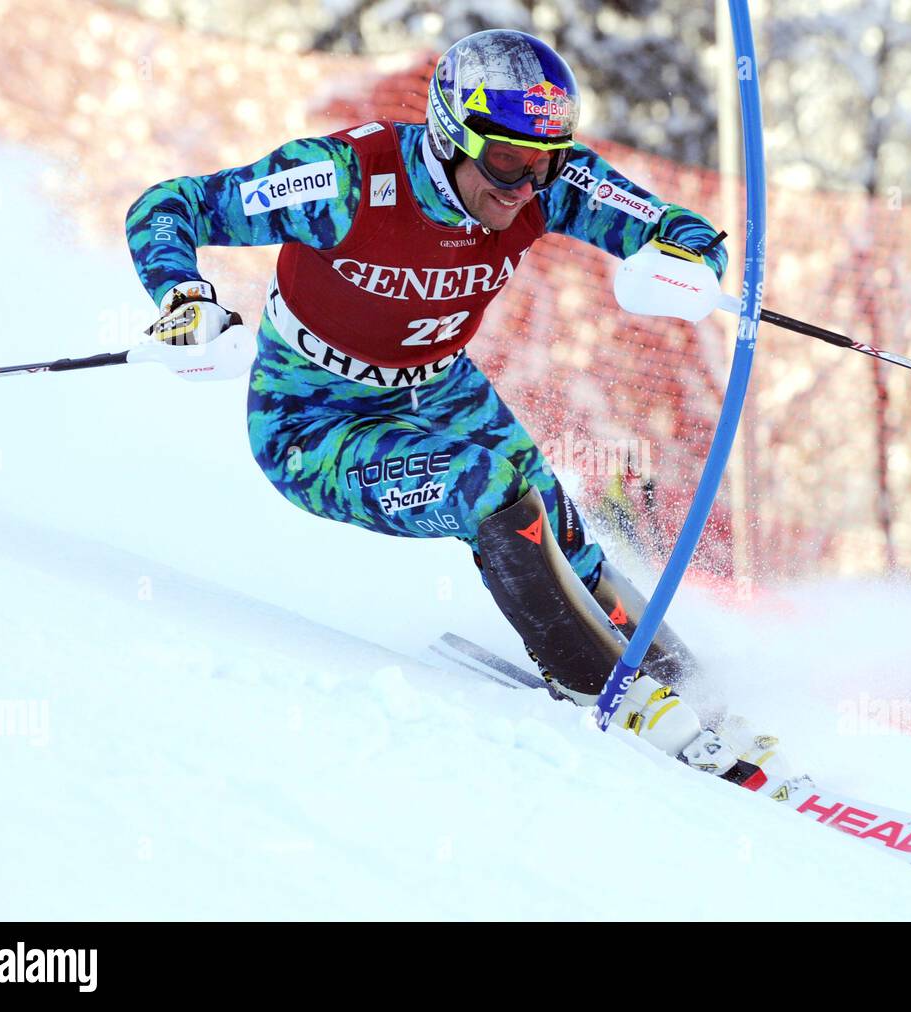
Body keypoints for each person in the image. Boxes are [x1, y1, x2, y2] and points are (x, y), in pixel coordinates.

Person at [125, 29, 776, 789]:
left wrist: (691, 262)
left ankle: (695, 695)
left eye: (545, 162)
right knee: (489, 490)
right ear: (449, 135)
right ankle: (616, 697)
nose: (523, 186)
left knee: (561, 526)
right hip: (313, 419)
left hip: (437, 388)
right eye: (505, 160)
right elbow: (172, 206)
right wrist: (184, 296)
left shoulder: (542, 179)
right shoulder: (342, 180)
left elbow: (673, 228)